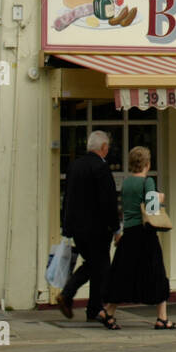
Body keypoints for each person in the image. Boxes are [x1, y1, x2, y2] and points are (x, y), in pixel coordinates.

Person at [103, 146, 176, 331]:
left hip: (129, 234)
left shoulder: (127, 183)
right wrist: (160, 198)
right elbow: (152, 209)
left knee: (124, 274)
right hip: (145, 234)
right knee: (157, 272)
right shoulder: (148, 182)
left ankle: (108, 311)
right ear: (147, 163)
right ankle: (162, 318)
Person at [56, 130, 120, 327]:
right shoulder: (101, 168)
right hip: (98, 229)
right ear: (103, 148)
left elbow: (68, 198)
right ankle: (68, 295)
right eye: (107, 147)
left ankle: (93, 308)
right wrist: (116, 228)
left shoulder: (75, 166)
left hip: (77, 229)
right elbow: (108, 201)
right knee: (99, 266)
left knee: (95, 265)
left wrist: (66, 227)